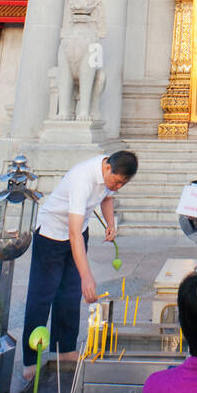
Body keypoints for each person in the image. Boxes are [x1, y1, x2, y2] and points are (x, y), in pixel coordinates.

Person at [21, 150, 137, 381]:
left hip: (76, 232)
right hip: (52, 234)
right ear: (107, 168)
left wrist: (110, 223)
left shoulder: (108, 174)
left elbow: (106, 197)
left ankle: (64, 348)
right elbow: (72, 233)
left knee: (69, 294)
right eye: (116, 181)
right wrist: (87, 275)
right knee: (42, 296)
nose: (117, 186)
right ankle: (30, 360)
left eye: (122, 184)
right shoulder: (81, 179)